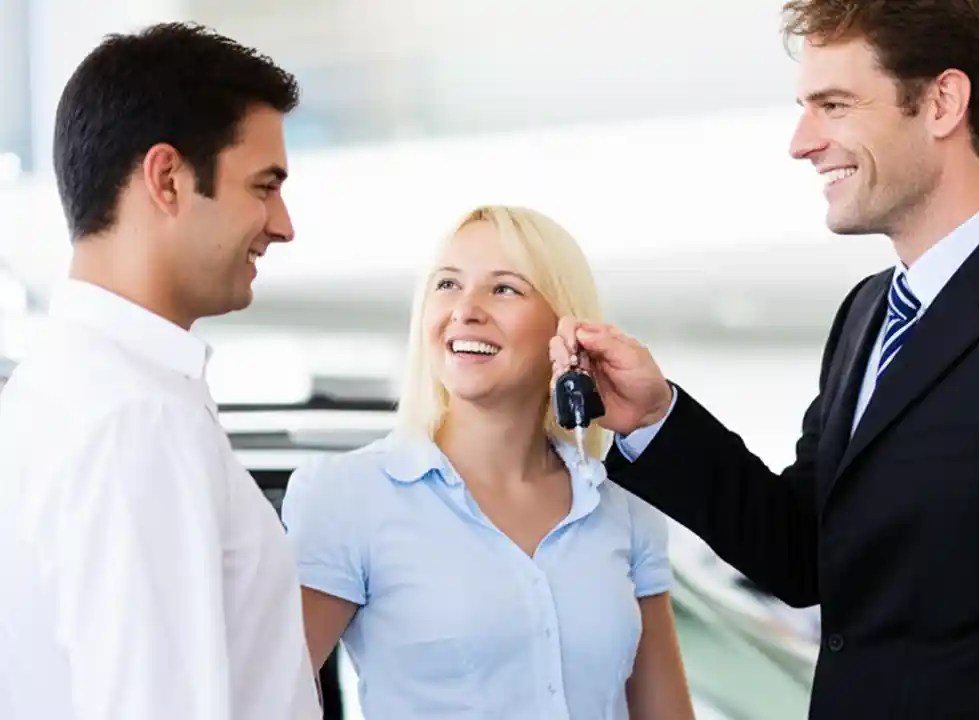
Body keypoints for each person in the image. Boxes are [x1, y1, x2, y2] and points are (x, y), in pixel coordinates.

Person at [551, 1, 979, 718]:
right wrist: (657, 417)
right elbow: (806, 552)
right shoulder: (869, 312)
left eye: (835, 104)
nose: (801, 141)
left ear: (943, 101)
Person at [0, 23, 319, 720]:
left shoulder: (51, 393)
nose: (283, 223)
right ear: (167, 178)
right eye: (264, 186)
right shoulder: (136, 417)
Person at [281, 205, 695, 720]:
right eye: (448, 284)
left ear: (567, 330)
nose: (466, 310)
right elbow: (270, 701)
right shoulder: (349, 497)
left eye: (504, 289)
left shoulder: (624, 508)